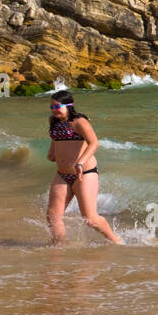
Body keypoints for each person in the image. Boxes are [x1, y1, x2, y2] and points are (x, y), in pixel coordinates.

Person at [46, 90, 123, 245]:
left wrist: (80, 162)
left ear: (69, 105)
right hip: (62, 175)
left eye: (57, 106)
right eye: (51, 106)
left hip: (84, 174)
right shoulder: (55, 122)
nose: (53, 110)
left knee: (90, 219)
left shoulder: (80, 122)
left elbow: (94, 143)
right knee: (52, 216)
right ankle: (58, 248)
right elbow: (56, 142)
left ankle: (117, 242)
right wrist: (52, 153)